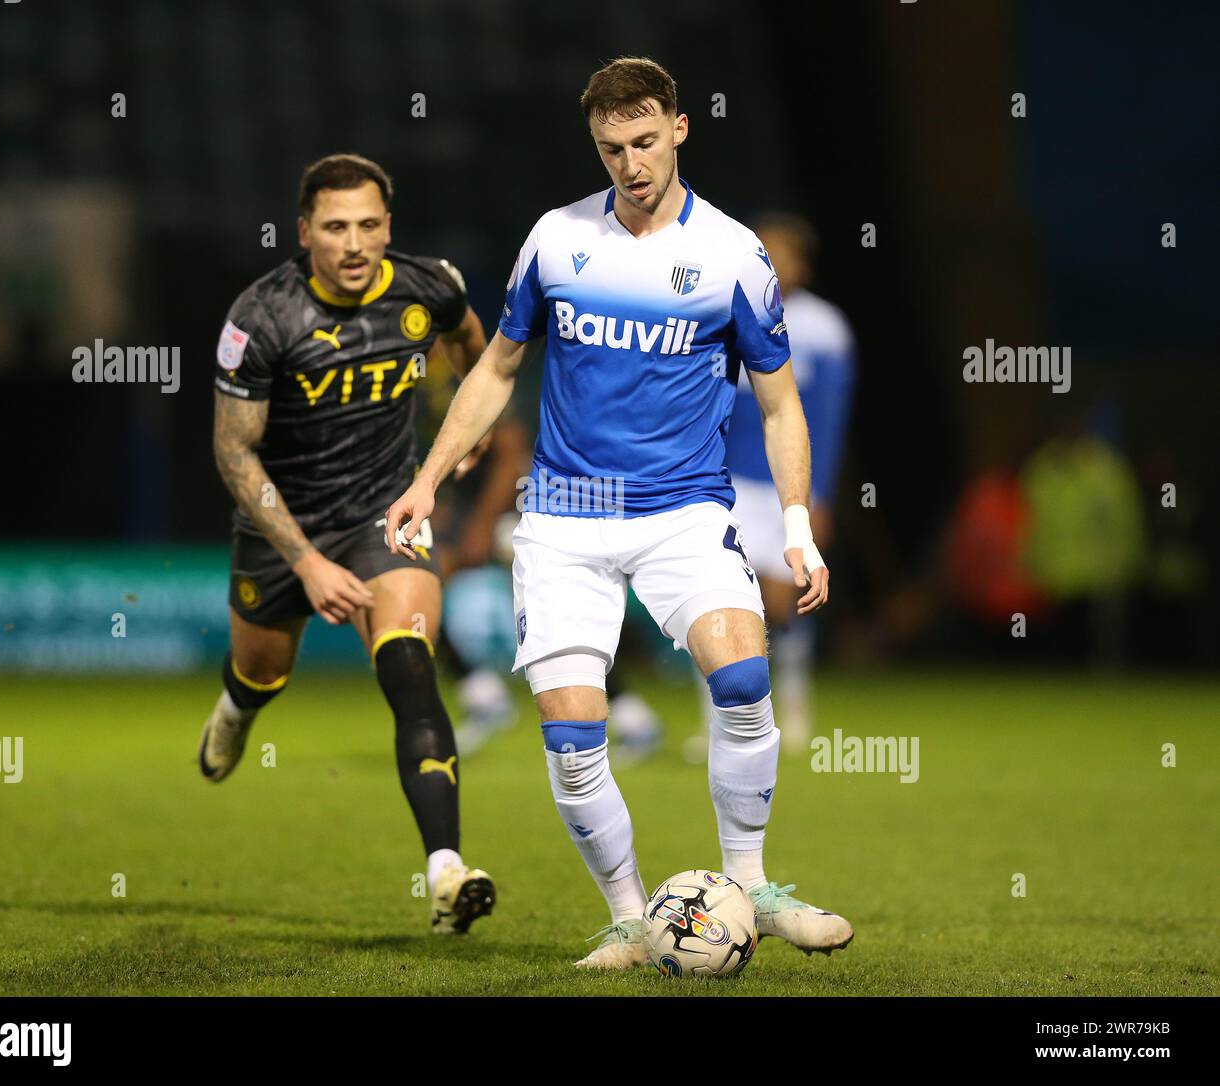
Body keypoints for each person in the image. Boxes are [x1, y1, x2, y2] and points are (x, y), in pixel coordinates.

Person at [385, 58, 853, 968]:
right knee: (571, 738)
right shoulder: (558, 240)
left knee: (744, 683)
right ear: (594, 146)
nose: (631, 164)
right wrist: (429, 476)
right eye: (612, 149)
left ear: (679, 128)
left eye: (645, 141)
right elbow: (499, 368)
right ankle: (634, 921)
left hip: (684, 511)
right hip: (563, 519)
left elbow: (781, 402)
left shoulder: (731, 254)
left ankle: (751, 886)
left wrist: (796, 525)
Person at [199, 153, 496, 935]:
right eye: (336, 228)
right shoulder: (262, 317)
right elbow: (234, 453)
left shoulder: (427, 284)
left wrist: (469, 429)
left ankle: (444, 872)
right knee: (264, 672)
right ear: (305, 233)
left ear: (388, 227)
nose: (355, 243)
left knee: (409, 667)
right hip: (281, 528)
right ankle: (237, 707)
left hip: (383, 514)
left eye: (369, 225)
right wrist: (303, 560)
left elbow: (481, 350)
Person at [688, 214, 856, 759]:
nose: (772, 262)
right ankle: (715, 718)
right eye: (764, 250)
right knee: (716, 599)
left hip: (781, 483)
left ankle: (795, 700)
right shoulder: (723, 309)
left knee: (784, 601)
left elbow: (828, 418)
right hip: (723, 480)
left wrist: (817, 495)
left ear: (803, 264)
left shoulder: (825, 328)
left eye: (783, 252)